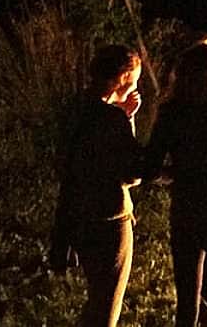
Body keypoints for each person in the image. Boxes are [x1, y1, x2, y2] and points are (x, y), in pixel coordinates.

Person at [144, 38, 207, 327]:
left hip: (187, 208)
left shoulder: (171, 112)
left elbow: (151, 167)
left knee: (188, 296)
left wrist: (175, 173)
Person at [50, 45, 145, 327]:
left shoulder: (76, 110)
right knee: (105, 310)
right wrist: (127, 119)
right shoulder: (112, 119)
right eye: (136, 79)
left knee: (96, 301)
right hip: (110, 222)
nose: (136, 85)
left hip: (79, 218)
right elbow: (132, 173)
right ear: (124, 76)